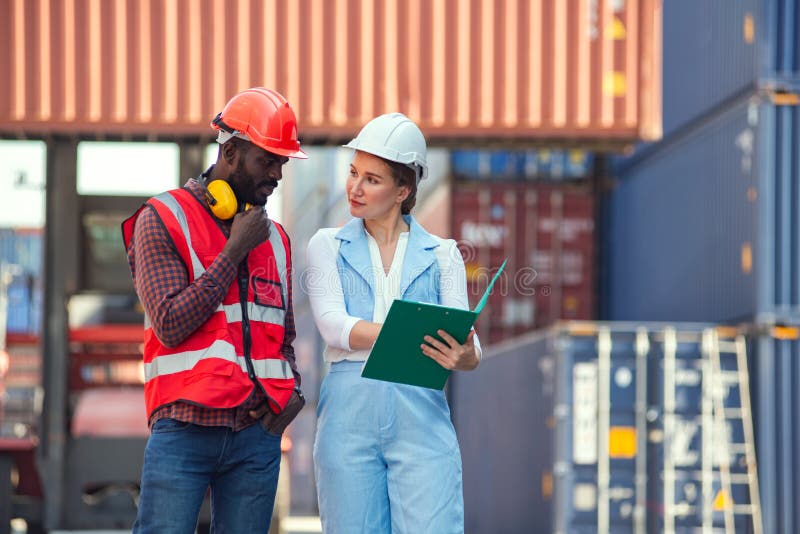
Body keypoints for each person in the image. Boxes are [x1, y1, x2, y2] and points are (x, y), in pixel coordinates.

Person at [122, 87, 307, 533]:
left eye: (283, 162)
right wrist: (234, 251)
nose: (278, 174)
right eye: (268, 160)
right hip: (184, 431)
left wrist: (290, 396)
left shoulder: (277, 239)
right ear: (231, 151)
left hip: (255, 436)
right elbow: (170, 323)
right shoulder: (162, 218)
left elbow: (282, 337)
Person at [306, 112, 482, 533]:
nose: (354, 187)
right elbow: (334, 326)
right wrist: (412, 332)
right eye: (353, 173)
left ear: (403, 189)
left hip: (420, 414)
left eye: (372, 179)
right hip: (349, 417)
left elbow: (471, 348)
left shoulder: (444, 255)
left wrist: (463, 356)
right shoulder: (326, 245)